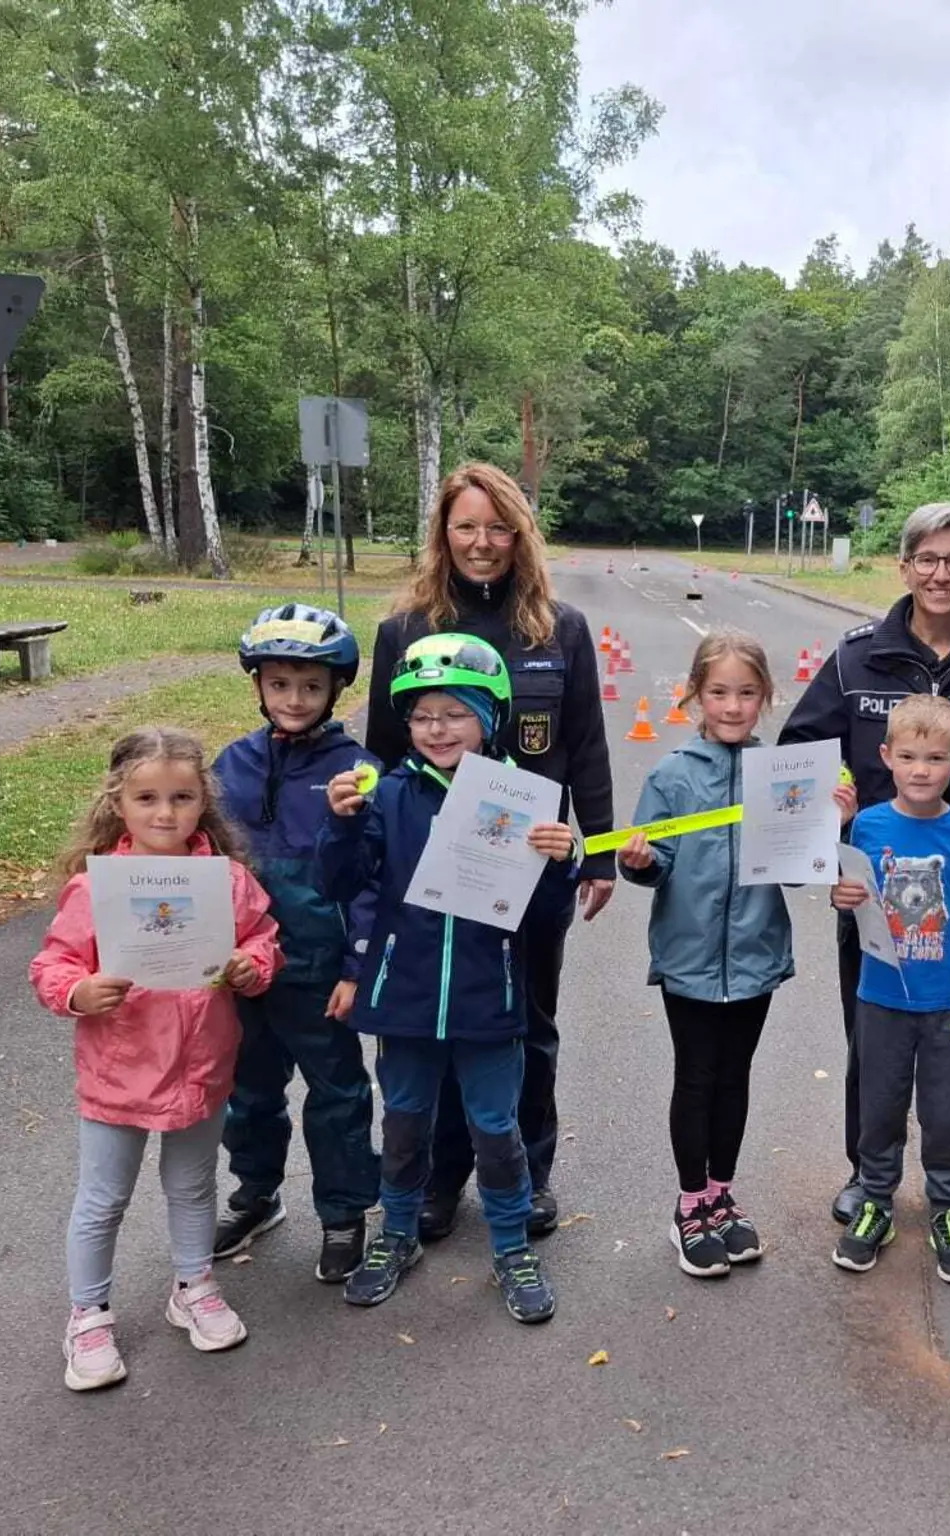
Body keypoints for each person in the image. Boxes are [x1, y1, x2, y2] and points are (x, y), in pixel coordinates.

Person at [782, 502, 950, 1231]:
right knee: (871, 1044)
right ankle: (865, 1175)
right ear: (904, 567)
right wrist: (823, 839)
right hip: (875, 904)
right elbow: (796, 764)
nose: (942, 573)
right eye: (927, 559)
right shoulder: (853, 659)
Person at [367, 464, 614, 1244]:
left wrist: (597, 855)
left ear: (521, 536)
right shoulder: (404, 631)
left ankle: (528, 1171)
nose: (482, 543)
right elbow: (381, 754)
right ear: (443, 534)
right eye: (466, 527)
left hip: (527, 865)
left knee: (527, 1022)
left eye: (498, 528)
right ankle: (441, 1181)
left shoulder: (559, 629)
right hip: (429, 869)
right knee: (434, 1025)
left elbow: (585, 749)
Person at [321, 634, 574, 1321]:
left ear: (488, 719)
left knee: (496, 1128)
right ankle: (397, 1234)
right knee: (404, 1123)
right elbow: (340, 883)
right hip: (402, 1000)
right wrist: (340, 827)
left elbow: (545, 918)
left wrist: (558, 861)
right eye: (423, 715)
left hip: (487, 999)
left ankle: (512, 1242)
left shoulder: (520, 799)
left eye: (455, 713)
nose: (437, 728)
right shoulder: (386, 796)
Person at [29, 727, 284, 1391]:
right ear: (118, 802)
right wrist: (79, 991)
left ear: (205, 803)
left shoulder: (226, 882)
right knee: (103, 1197)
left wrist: (250, 969)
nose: (164, 813)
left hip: (200, 1068)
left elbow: (263, 939)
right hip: (120, 1071)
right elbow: (53, 963)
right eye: (146, 798)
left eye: (181, 797)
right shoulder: (94, 890)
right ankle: (88, 1317)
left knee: (192, 1184)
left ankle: (194, 1286)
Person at [618, 630, 852, 1278]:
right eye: (718, 691)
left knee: (735, 1077)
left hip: (755, 954)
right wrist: (636, 862)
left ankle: (722, 1194)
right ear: (695, 694)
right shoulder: (671, 776)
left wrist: (830, 824)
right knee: (696, 1078)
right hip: (688, 960)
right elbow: (654, 863)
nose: (732, 705)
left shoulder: (780, 778)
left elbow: (802, 871)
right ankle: (688, 1204)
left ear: (766, 699)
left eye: (747, 693)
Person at [208, 604, 381, 1284]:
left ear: (336, 688)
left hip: (316, 968)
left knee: (336, 1092)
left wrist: (356, 965)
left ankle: (344, 1212)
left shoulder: (358, 770)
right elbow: (204, 854)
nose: (294, 699)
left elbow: (372, 877)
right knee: (247, 1089)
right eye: (279, 684)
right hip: (243, 965)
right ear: (257, 685)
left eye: (310, 686)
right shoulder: (232, 762)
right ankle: (257, 1191)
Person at [830, 695, 950, 1285]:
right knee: (878, 1109)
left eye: (935, 758)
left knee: (947, 1114)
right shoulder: (869, 825)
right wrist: (841, 897)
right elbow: (848, 895)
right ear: (886, 757)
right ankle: (876, 1203)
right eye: (907, 756)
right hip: (881, 1001)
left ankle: (947, 1207)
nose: (920, 770)